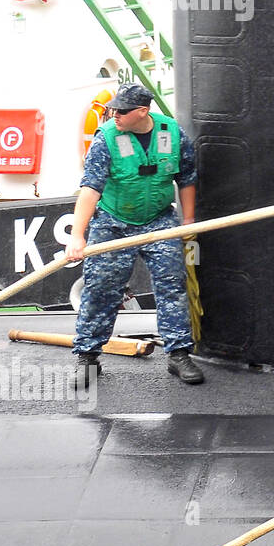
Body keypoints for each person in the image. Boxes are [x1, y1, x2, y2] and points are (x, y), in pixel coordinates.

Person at [66, 83, 201, 386]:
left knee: (172, 286)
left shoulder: (172, 134)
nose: (114, 115)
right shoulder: (107, 139)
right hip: (114, 222)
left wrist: (188, 222)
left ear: (142, 112)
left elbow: (187, 177)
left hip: (159, 220)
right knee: (100, 289)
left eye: (121, 111)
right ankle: (87, 356)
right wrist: (78, 235)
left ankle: (179, 355)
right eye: (113, 109)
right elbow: (90, 188)